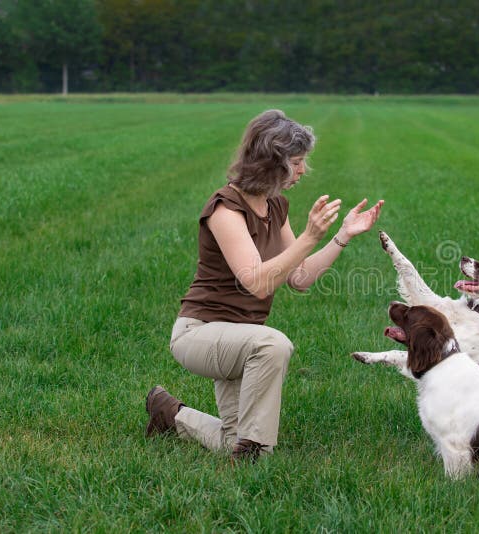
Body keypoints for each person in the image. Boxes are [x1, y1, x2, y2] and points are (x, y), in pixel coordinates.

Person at [145, 109, 383, 462]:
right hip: (200, 333)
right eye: (297, 162)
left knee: (234, 438)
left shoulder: (275, 207)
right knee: (273, 344)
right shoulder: (226, 209)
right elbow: (256, 282)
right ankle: (251, 451)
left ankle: (170, 414)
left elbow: (299, 278)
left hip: (241, 340)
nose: (303, 170)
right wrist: (308, 237)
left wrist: (341, 236)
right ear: (272, 162)